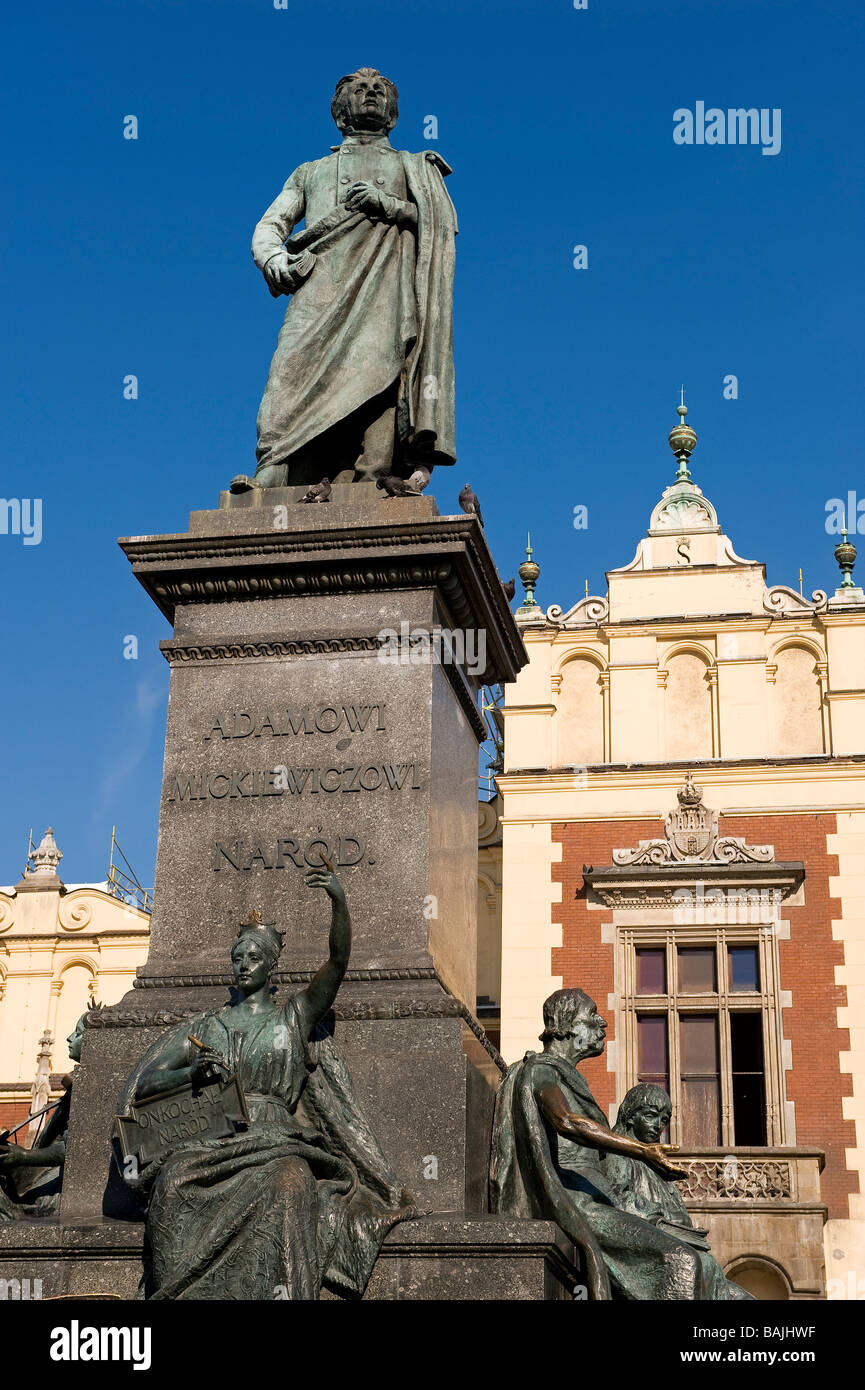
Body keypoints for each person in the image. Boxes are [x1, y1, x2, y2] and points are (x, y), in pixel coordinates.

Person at [118, 868, 413, 1299]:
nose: (242, 966)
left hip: (276, 1136)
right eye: (237, 958)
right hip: (214, 1136)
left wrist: (340, 904)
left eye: (252, 958)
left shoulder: (294, 1017)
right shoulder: (206, 1026)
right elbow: (146, 1084)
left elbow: (337, 964)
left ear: (271, 966)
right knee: (174, 1180)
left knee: (290, 1182)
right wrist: (191, 1072)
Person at [232, 67, 457, 493]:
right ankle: (276, 463)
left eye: (379, 90)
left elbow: (440, 226)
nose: (370, 94)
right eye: (359, 90)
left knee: (380, 371)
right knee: (289, 368)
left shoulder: (412, 167)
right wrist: (273, 259)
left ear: (392, 114)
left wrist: (387, 204)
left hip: (385, 289)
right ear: (339, 112)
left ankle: (372, 474)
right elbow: (271, 224)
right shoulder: (310, 171)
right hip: (318, 287)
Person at [491, 988, 744, 1300]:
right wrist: (641, 1149)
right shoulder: (542, 1070)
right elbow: (565, 1121)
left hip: (600, 1199)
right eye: (592, 1015)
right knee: (681, 1261)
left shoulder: (568, 1076)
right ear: (567, 1026)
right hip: (579, 1203)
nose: (602, 1022)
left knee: (710, 1273)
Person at [607, 1083, 752, 1300]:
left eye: (663, 1120)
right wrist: (662, 1218)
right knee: (695, 1265)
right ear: (630, 1116)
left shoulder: (657, 1166)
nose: (658, 1126)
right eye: (650, 1116)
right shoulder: (617, 1152)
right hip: (644, 1251)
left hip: (674, 1247)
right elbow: (616, 1197)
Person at [0, 1014, 86, 1218]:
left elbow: (76, 1147)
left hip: (69, 1188)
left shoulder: (93, 1086)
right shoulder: (78, 1084)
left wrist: (23, 1156)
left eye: (78, 1033)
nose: (69, 1038)